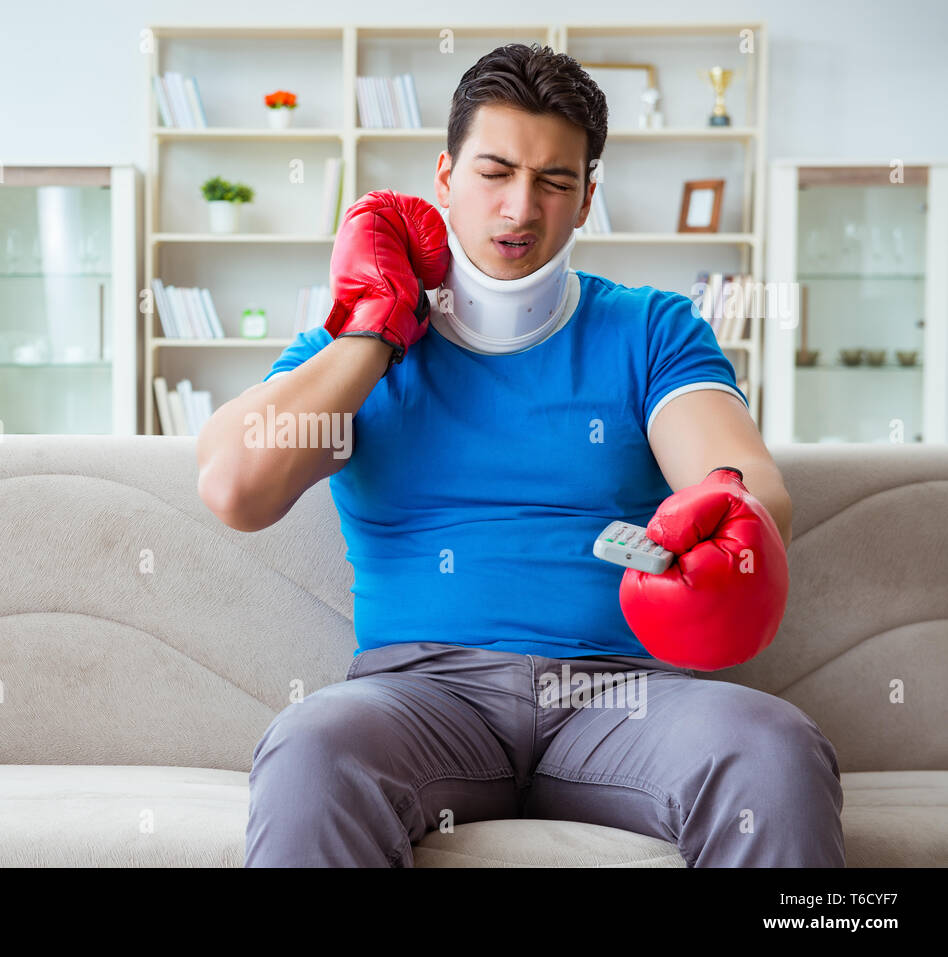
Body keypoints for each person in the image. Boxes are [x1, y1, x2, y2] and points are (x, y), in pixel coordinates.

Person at [195, 42, 843, 867]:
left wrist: (732, 513)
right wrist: (374, 331)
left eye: (554, 181)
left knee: (774, 746)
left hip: (625, 696)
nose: (520, 208)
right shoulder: (353, 345)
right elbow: (234, 487)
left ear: (587, 199)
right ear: (444, 178)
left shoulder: (651, 328)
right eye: (494, 172)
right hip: (422, 695)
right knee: (312, 747)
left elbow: (744, 482)